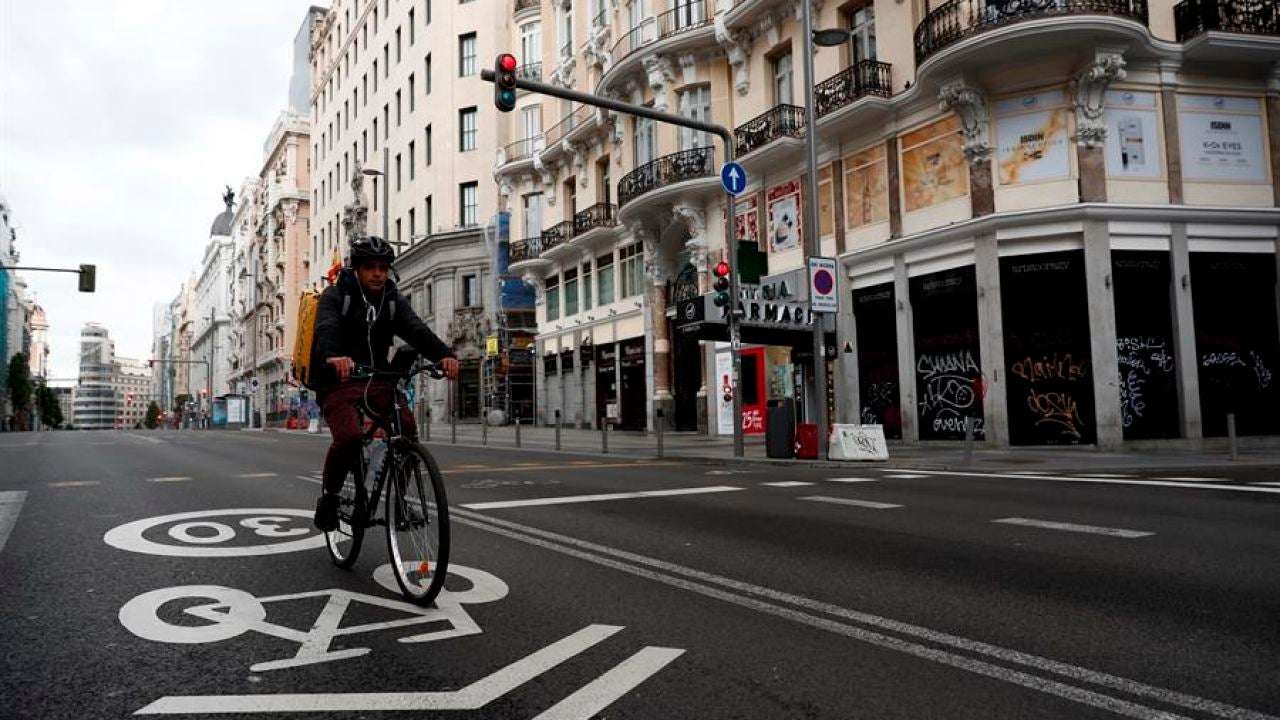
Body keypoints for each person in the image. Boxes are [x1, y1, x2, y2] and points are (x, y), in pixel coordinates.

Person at [311, 236, 459, 531]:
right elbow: (326, 328)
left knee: (407, 430)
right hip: (338, 381)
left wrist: (445, 356)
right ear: (356, 269)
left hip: (378, 379)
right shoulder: (336, 296)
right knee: (351, 437)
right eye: (370, 267)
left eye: (383, 267)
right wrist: (333, 356)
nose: (378, 273)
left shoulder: (392, 300)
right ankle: (329, 497)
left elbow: (417, 330)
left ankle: (400, 501)